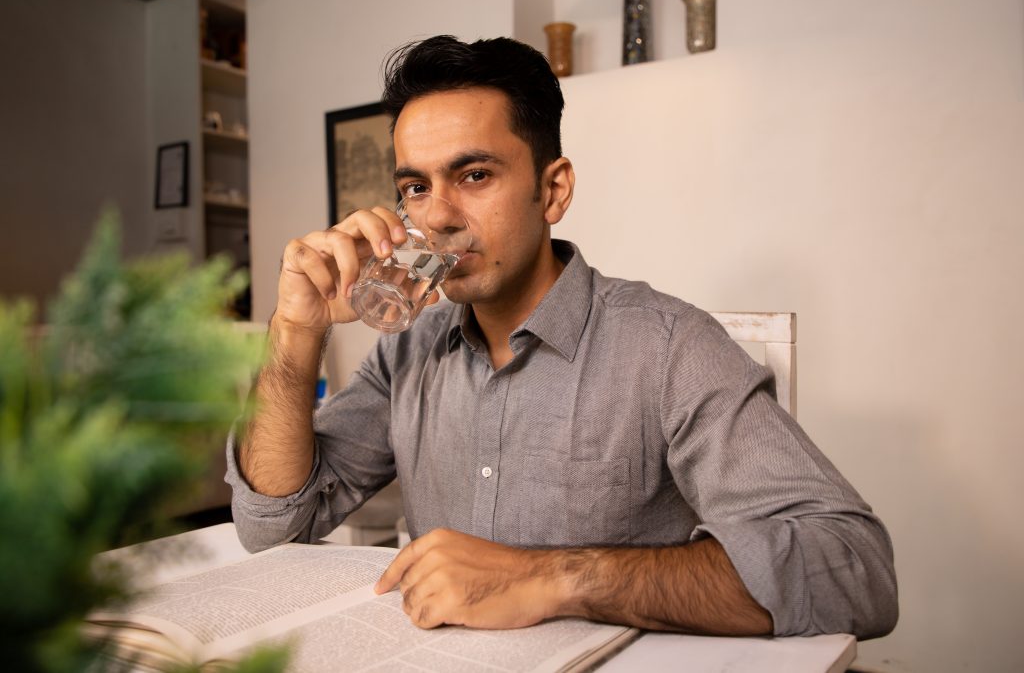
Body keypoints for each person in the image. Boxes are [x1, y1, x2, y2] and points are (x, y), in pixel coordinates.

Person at [226, 35, 898, 639]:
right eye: (415, 187)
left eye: (474, 175)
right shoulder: (408, 350)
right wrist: (295, 332)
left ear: (553, 191)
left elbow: (854, 569)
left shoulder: (669, 347)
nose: (438, 218)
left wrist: (553, 576)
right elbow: (274, 526)